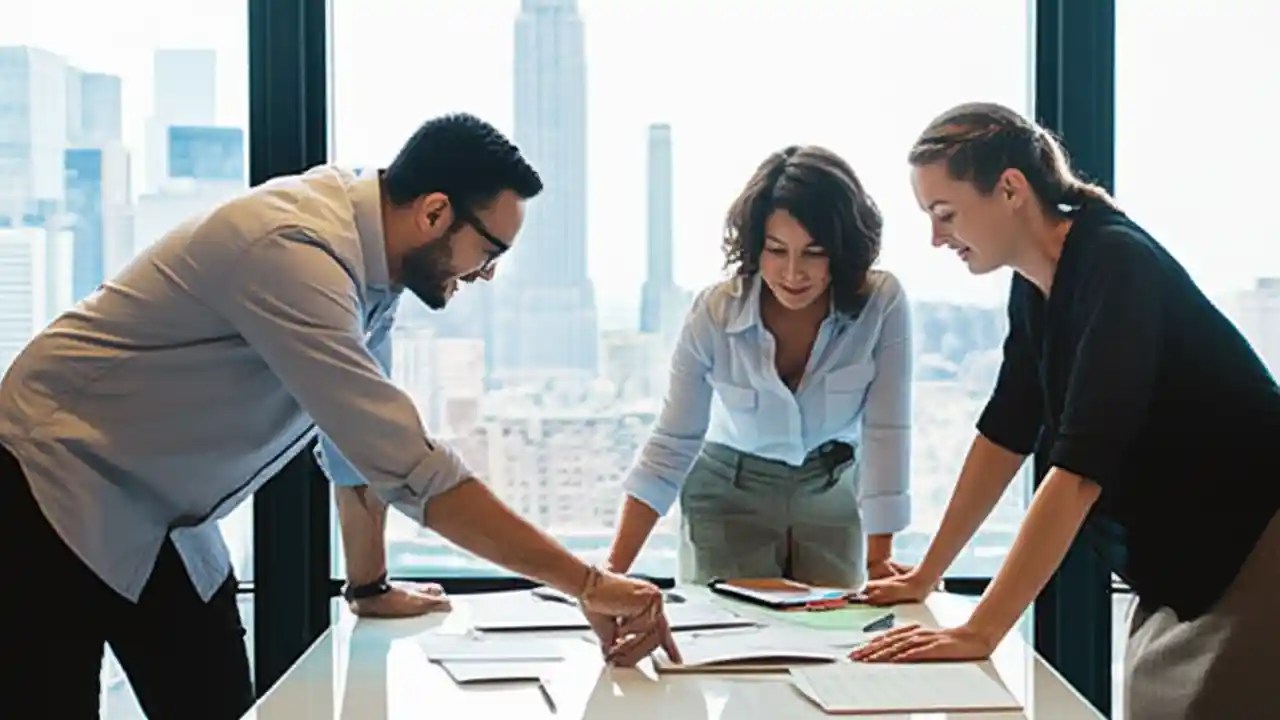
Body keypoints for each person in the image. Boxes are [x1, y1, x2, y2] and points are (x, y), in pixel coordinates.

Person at [1, 113, 679, 720]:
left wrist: (368, 585)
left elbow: (354, 445)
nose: (487, 274)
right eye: (490, 251)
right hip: (52, 480)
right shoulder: (294, 251)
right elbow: (412, 467)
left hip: (164, 514)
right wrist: (587, 584)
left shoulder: (374, 268)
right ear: (435, 212)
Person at [851, 102, 1280, 720]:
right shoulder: (1035, 285)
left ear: (1010, 189)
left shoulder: (1115, 263)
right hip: (1186, 548)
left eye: (945, 214)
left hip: (1253, 541)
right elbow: (1005, 430)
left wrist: (982, 629)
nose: (937, 238)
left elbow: (1080, 467)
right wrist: (927, 574)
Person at [604, 145, 914, 604]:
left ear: (842, 252)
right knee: (730, 631)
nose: (793, 272)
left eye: (814, 252)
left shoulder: (880, 302)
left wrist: (879, 558)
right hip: (727, 490)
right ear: (755, 247)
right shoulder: (715, 313)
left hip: (831, 489)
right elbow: (672, 443)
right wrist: (610, 575)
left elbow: (886, 431)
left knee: (833, 631)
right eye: (776, 250)